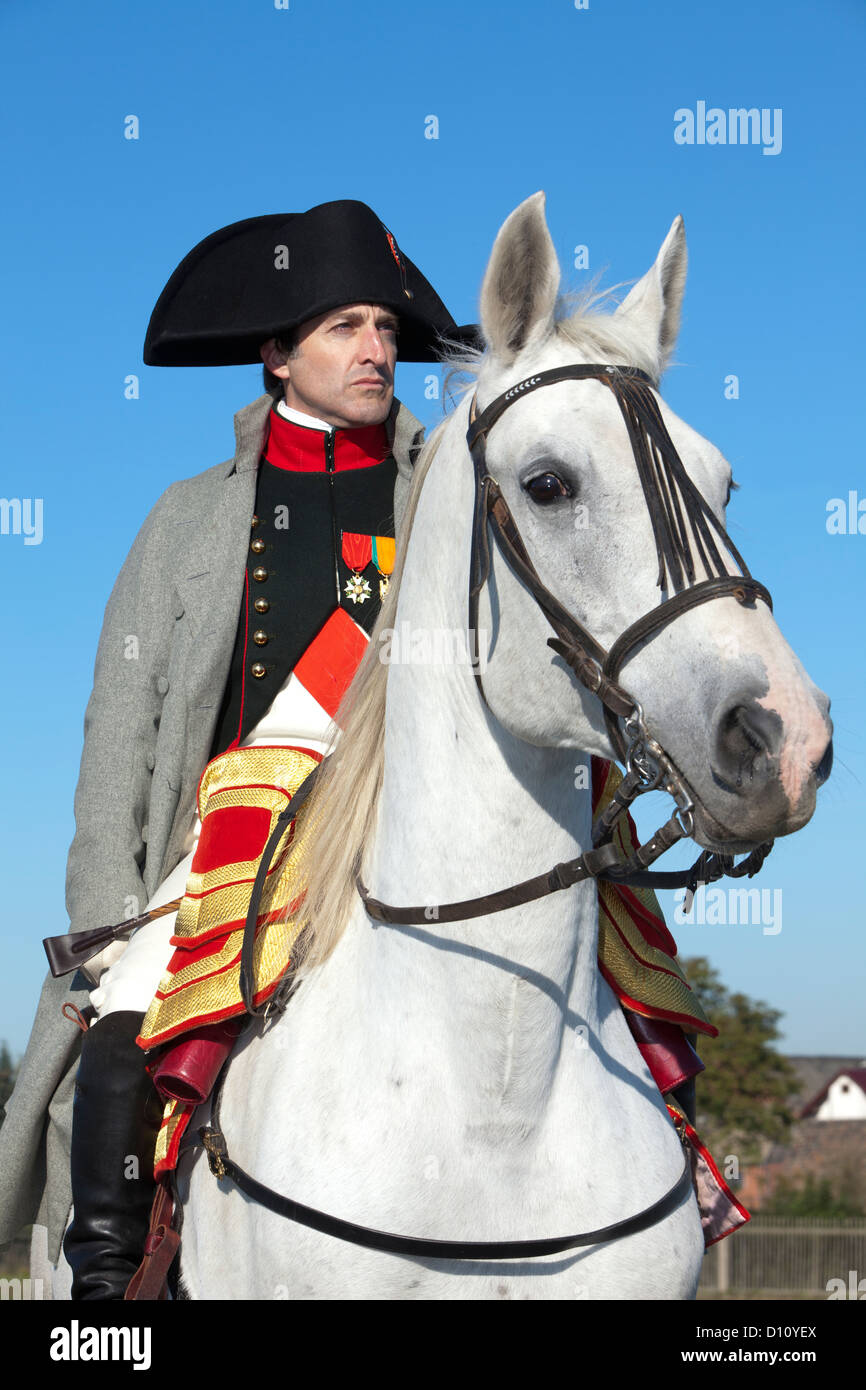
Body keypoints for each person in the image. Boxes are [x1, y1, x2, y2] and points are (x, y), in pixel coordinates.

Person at [0, 199, 473, 1299]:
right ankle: (109, 1294)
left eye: (385, 328)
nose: (374, 349)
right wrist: (107, 911)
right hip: (226, 850)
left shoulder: (445, 492)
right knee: (125, 1021)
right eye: (344, 326)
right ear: (275, 358)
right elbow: (117, 733)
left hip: (407, 839)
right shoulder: (187, 519)